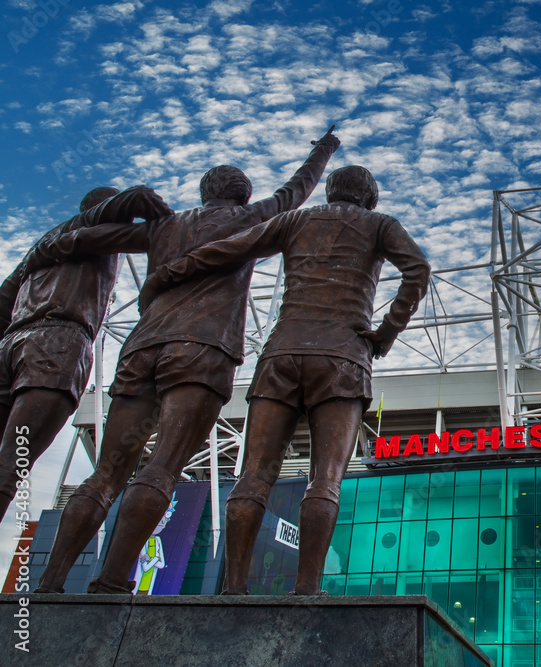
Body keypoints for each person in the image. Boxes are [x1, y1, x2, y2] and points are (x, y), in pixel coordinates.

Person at [33, 125, 340, 594]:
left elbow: (89, 237)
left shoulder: (164, 225)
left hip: (142, 347)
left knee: (107, 472)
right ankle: (112, 581)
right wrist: (324, 149)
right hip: (201, 350)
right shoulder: (250, 218)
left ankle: (50, 585)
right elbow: (296, 190)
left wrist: (59, 240)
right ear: (243, 196)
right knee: (163, 467)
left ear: (204, 190)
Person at [144, 165, 430, 595]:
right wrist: (386, 332)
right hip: (343, 356)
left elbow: (230, 249)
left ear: (331, 190)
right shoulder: (380, 224)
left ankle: (233, 587)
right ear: (369, 198)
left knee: (254, 474)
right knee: (325, 478)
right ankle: (307, 587)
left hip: (280, 353)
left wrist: (171, 272)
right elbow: (418, 270)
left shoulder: (296, 219)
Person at [0, 185, 171, 522]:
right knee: (12, 463)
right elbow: (136, 196)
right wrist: (172, 224)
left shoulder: (43, 244)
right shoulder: (88, 230)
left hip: (11, 345)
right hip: (56, 346)